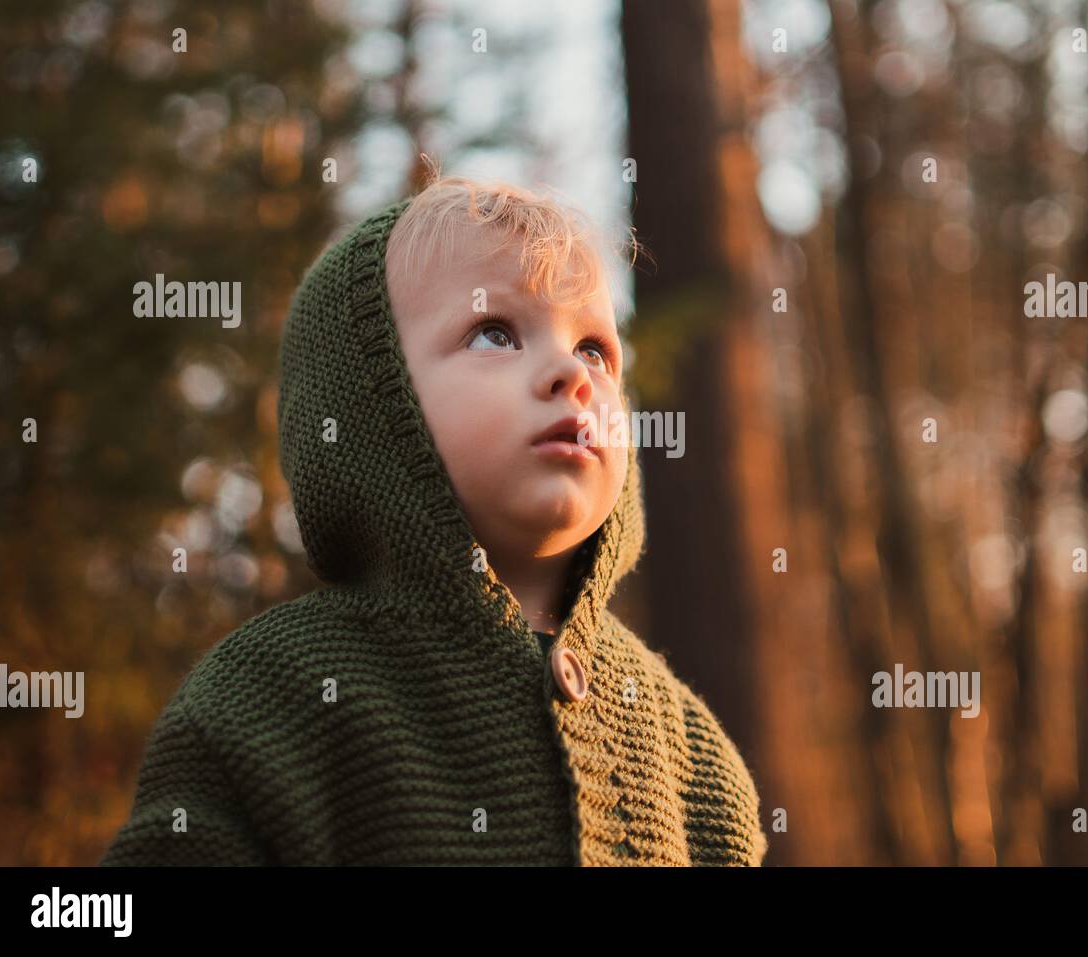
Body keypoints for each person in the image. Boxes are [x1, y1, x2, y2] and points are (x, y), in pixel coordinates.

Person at [100, 166, 768, 866]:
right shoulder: (270, 699)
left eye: (594, 350)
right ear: (369, 408)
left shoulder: (692, 748)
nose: (570, 376)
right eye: (493, 334)